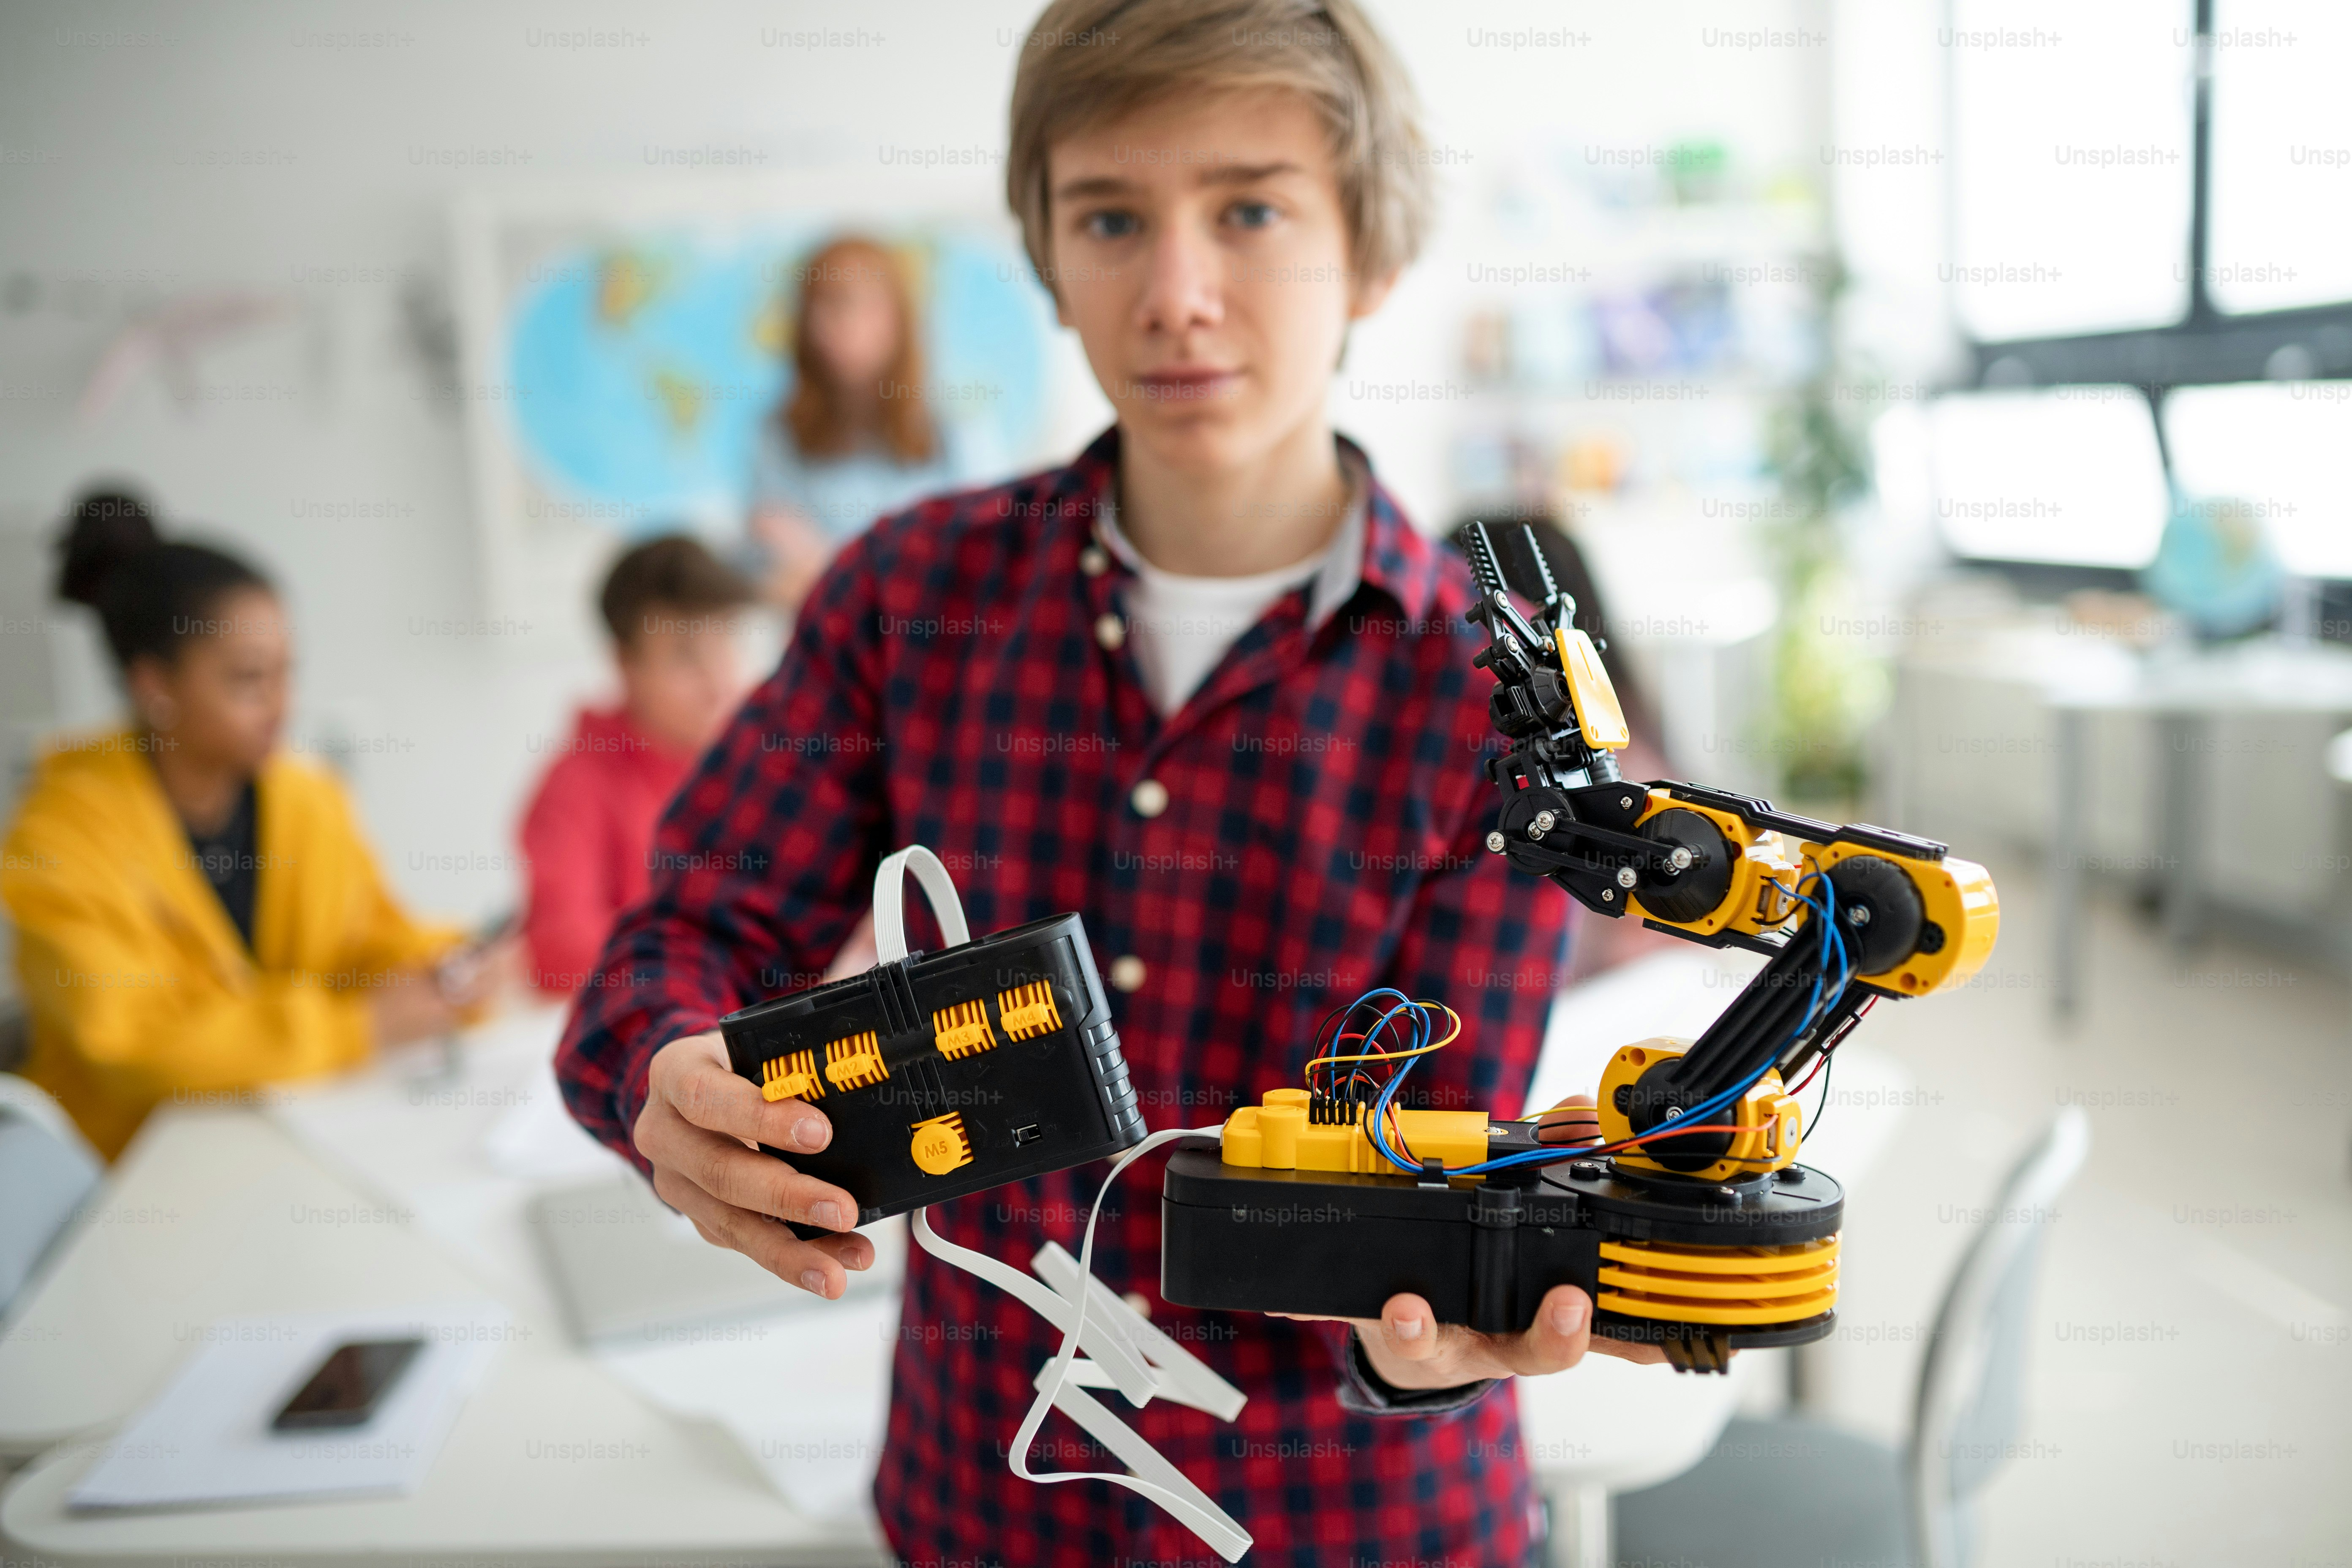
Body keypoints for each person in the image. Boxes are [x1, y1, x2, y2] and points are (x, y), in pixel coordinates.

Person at [557, 5, 1644, 1564]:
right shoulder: (905, 597)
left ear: (1370, 253)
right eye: (1111, 219)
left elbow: (1437, 1160)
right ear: (1051, 260)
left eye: (1250, 211)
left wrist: (1438, 1326)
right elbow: (677, 942)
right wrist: (667, 1085)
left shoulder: (1498, 691)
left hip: (1349, 1516)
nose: (1176, 294)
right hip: (981, 1503)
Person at [1, 491, 508, 1159]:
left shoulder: (308, 799)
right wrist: (357, 1028)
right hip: (134, 1173)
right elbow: (139, 1047)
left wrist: (446, 965)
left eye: (285, 673)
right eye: (248, 681)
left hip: (296, 1133)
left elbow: (367, 937)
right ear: (155, 688)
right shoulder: (56, 840)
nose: (282, 705)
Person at [517, 536, 758, 996]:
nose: (717, 678)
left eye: (726, 641)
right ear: (626, 664)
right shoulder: (577, 784)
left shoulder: (758, 759)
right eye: (685, 655)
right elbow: (558, 947)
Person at [747, 235, 985, 608]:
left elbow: (977, 564)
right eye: (830, 304)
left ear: (900, 319)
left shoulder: (956, 432)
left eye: (867, 305)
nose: (848, 323)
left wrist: (827, 564)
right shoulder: (778, 436)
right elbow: (770, 574)